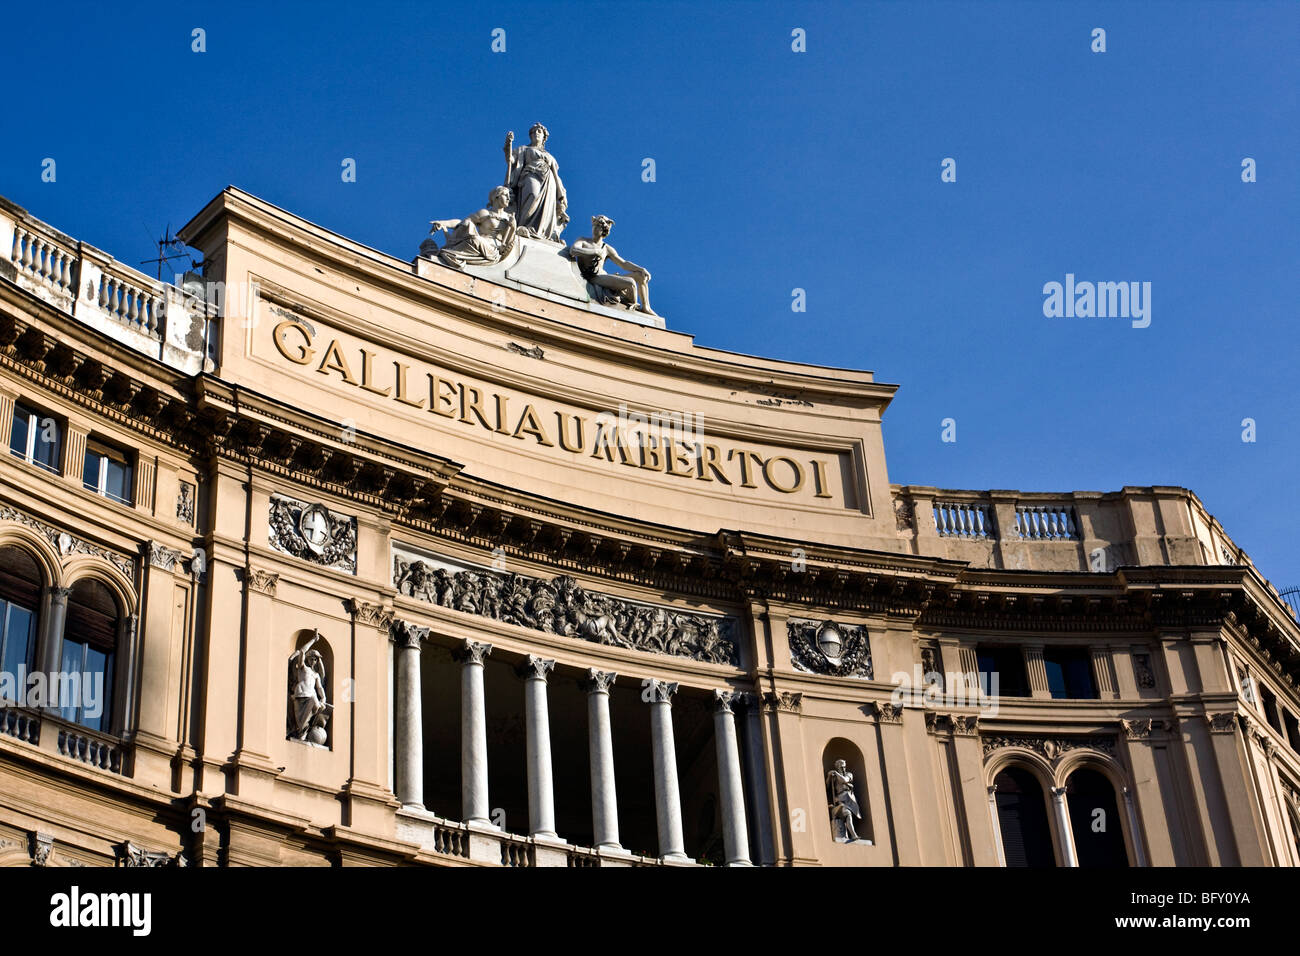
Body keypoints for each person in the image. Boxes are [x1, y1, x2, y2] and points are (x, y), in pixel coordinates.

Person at [565, 215, 656, 316]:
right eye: (594, 225)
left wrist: (641, 269)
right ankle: (631, 306)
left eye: (598, 225)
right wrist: (595, 251)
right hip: (594, 277)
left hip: (603, 275)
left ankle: (645, 307)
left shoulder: (607, 248)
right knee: (630, 283)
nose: (594, 228)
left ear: (603, 230)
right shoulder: (583, 240)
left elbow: (623, 263)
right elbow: (573, 250)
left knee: (639, 276)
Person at [503, 123, 569, 241]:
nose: (536, 133)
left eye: (539, 131)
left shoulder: (549, 156)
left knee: (547, 207)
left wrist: (561, 194)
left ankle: (540, 231)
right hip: (531, 173)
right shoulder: (524, 149)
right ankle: (524, 226)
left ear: (544, 137)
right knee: (532, 195)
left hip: (549, 181)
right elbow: (511, 160)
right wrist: (508, 146)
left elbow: (556, 175)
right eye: (533, 132)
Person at [425, 185, 518, 270]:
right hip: (479, 242)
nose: (508, 198)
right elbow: (462, 223)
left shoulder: (509, 218)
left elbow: (510, 239)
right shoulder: (485, 213)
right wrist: (443, 223)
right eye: (505, 195)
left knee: (474, 239)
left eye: (509, 196)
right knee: (471, 231)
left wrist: (513, 227)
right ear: (496, 196)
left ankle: (449, 253)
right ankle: (450, 253)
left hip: (494, 250)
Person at [826, 759, 862, 842]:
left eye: (844, 767)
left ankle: (851, 835)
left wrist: (836, 773)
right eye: (841, 767)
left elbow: (844, 780)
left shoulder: (849, 774)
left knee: (849, 816)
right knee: (847, 814)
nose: (843, 769)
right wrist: (829, 776)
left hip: (849, 798)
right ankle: (853, 835)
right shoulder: (835, 777)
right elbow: (827, 786)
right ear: (838, 767)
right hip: (840, 798)